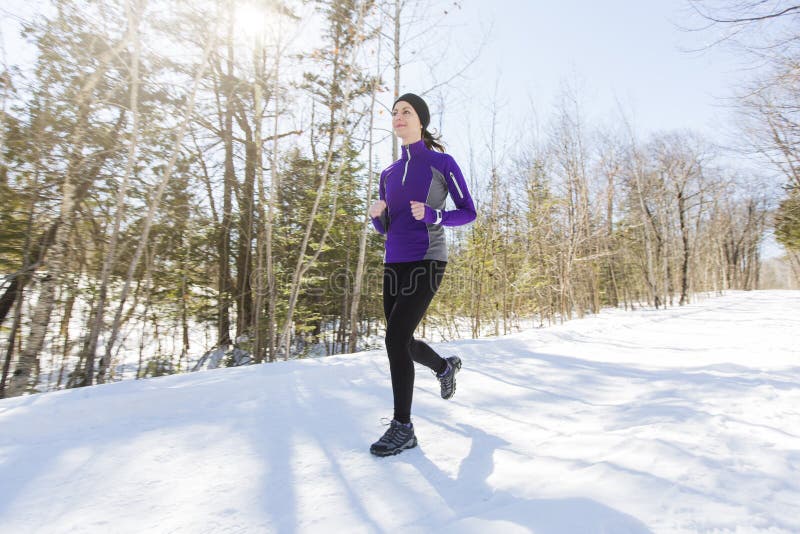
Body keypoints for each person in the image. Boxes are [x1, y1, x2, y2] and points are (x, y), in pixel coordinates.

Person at [368, 93, 477, 457]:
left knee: (395, 339)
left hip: (428, 259)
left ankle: (403, 427)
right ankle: (444, 367)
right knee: (400, 340)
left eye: (407, 111)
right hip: (394, 262)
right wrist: (377, 218)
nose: (398, 116)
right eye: (395, 112)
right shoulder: (388, 174)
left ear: (421, 120)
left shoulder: (441, 163)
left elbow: (468, 211)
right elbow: (388, 228)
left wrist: (435, 216)